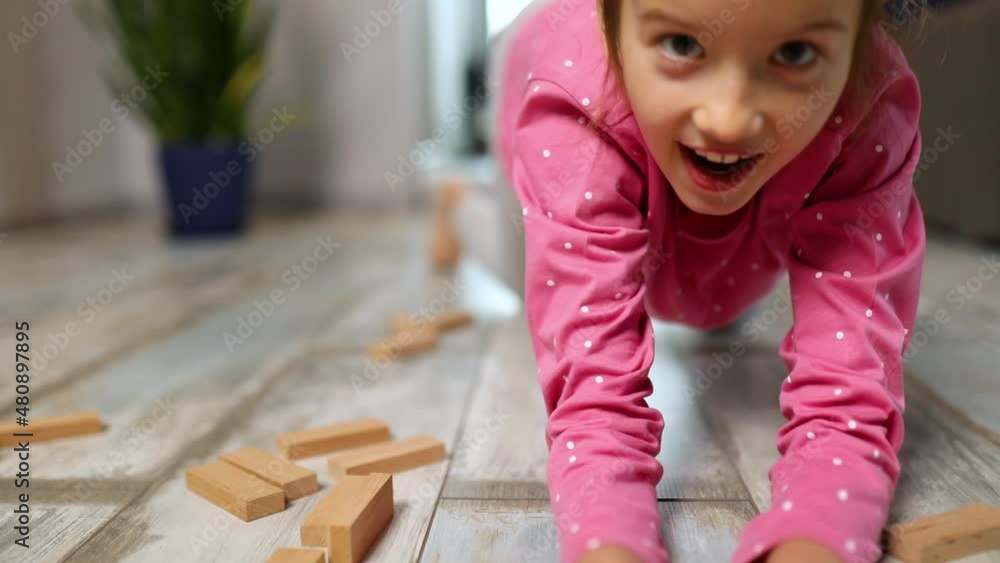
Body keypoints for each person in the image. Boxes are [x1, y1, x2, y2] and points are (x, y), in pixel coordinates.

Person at [493, 1, 925, 562]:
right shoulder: (570, 107)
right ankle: (463, 207)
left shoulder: (869, 107)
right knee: (513, 264)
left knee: (715, 304)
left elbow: (850, 399)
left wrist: (817, 540)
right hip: (549, 89)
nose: (728, 118)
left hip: (736, 198)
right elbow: (593, 403)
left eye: (794, 53)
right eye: (681, 45)